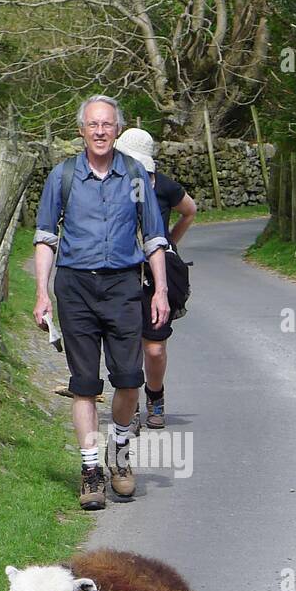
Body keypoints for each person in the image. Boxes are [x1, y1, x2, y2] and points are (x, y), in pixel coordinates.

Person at [33, 95, 171, 511]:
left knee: (129, 378)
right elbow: (45, 238)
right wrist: (42, 292)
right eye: (92, 125)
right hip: (75, 287)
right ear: (81, 130)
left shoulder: (133, 176)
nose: (99, 131)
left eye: (107, 125)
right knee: (85, 384)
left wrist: (160, 290)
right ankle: (91, 471)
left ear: (118, 130)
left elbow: (154, 239)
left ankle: (121, 453)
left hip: (124, 287)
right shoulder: (63, 177)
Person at [115, 128, 196, 429]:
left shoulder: (163, 187)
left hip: (155, 275)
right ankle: (129, 402)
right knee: (127, 342)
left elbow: (190, 211)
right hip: (121, 272)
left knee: (154, 347)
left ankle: (155, 396)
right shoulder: (110, 185)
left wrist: (169, 244)